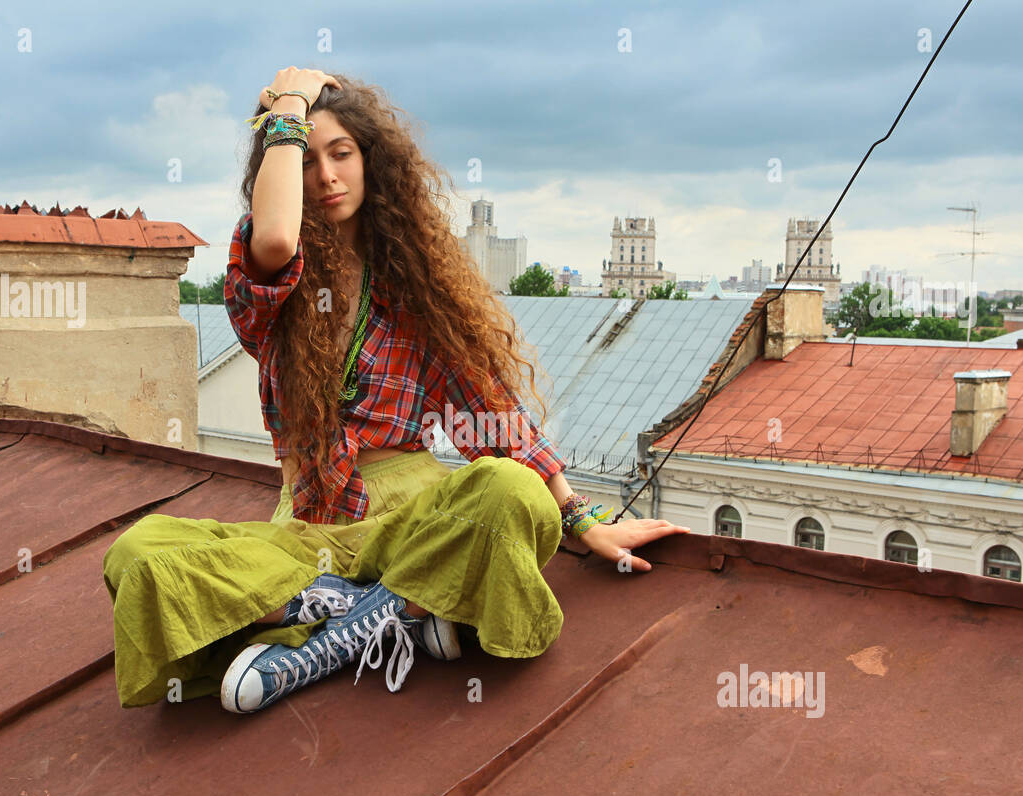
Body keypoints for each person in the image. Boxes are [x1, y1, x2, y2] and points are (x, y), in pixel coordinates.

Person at [102, 67, 691, 716]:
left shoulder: (418, 291)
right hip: (307, 531)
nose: (325, 176)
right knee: (140, 555)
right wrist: (289, 106)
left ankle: (334, 632)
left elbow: (494, 418)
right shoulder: (270, 290)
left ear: (371, 163)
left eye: (342, 154)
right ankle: (388, 610)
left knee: (512, 493)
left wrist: (582, 521)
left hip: (412, 519)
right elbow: (274, 235)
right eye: (306, 157)